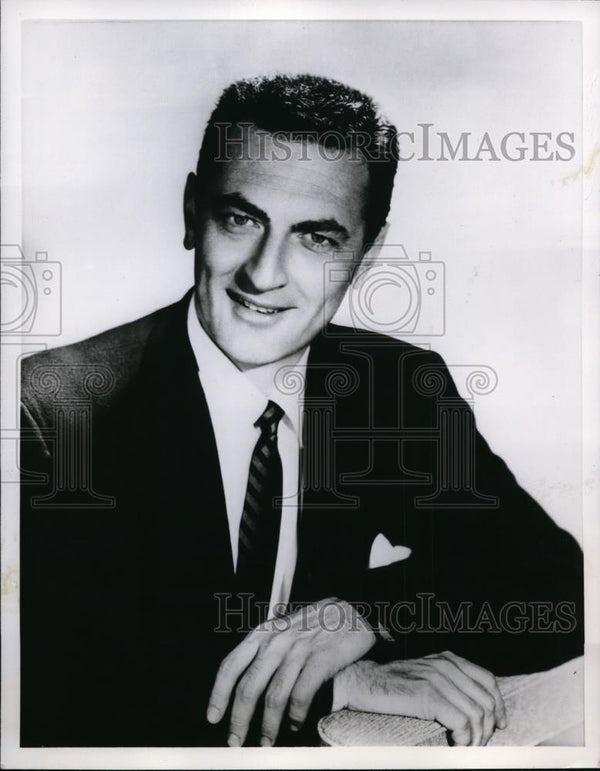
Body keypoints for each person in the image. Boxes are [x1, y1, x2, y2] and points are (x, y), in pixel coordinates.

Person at [20, 74, 583, 749]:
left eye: (316, 238)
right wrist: (340, 683)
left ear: (365, 255)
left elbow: (557, 587)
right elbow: (54, 674)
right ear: (191, 210)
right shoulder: (55, 406)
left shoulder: (393, 386)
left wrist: (369, 612)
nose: (264, 273)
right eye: (240, 218)